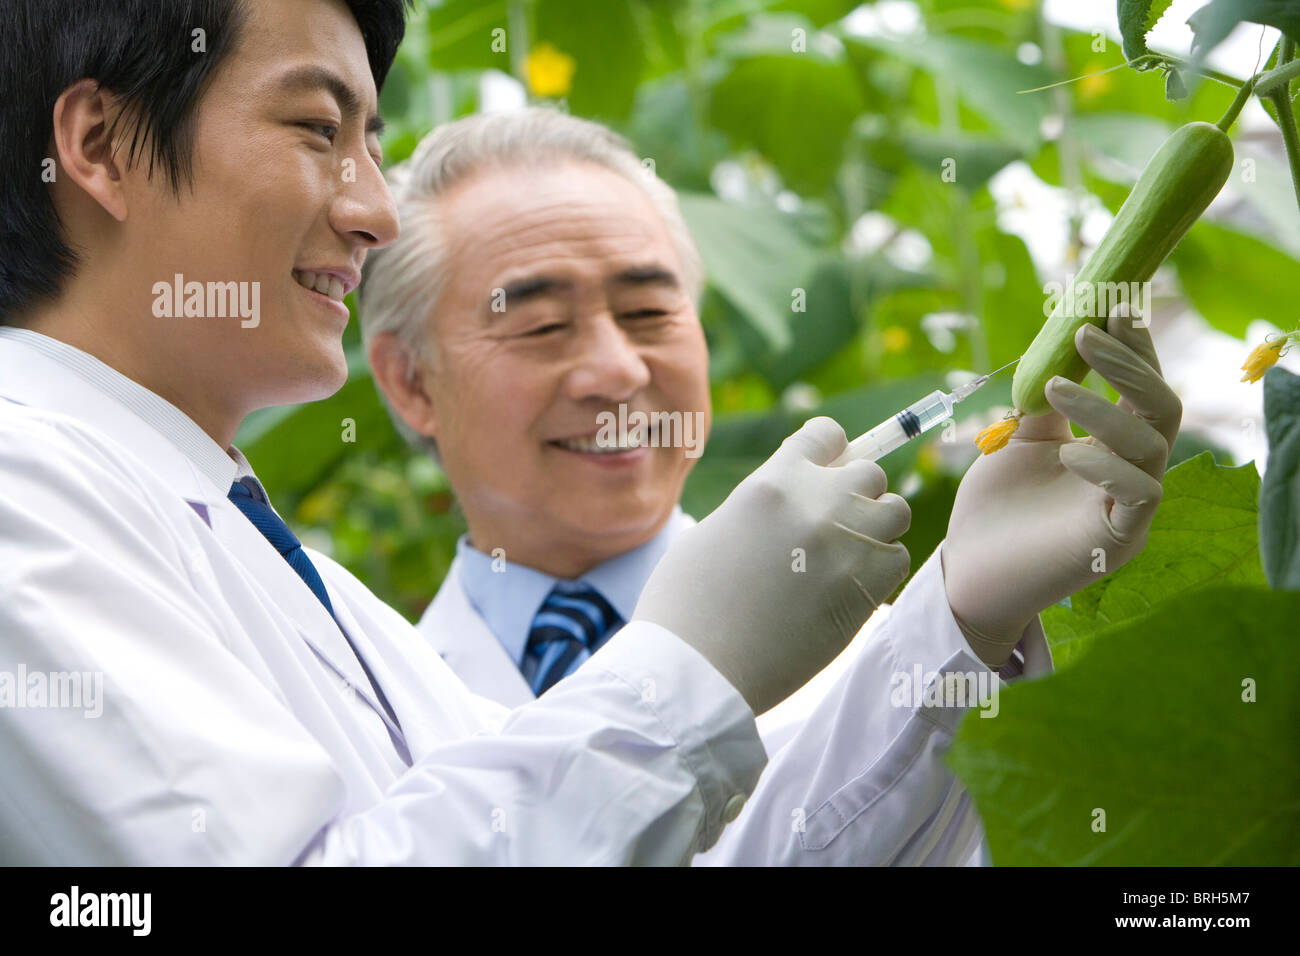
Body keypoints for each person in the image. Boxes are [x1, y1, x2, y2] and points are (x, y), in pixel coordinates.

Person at [0, 0, 917, 864]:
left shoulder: (280, 563)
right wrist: (694, 667)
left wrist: (958, 622)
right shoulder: (23, 490)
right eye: (319, 131)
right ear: (103, 146)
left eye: (369, 143)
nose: (374, 213)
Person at [362, 108, 1183, 864]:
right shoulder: (363, 702)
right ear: (410, 383)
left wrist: (968, 614)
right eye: (540, 325)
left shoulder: (900, 652)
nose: (618, 369)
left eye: (651, 314)